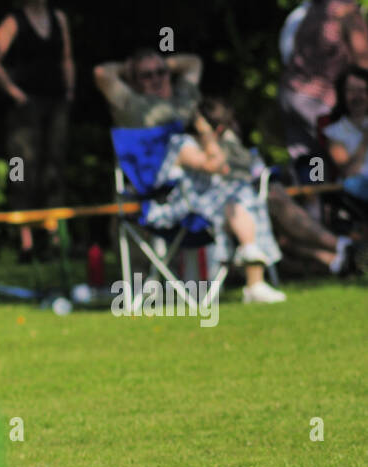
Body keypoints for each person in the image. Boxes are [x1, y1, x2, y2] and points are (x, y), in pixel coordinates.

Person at [144, 109, 286, 304]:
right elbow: (215, 166)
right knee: (241, 201)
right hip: (182, 209)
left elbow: (230, 168)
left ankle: (251, 259)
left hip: (212, 208)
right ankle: (254, 280)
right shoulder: (183, 144)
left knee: (242, 199)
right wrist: (209, 136)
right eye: (216, 127)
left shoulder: (206, 145)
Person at [200, 97, 356, 274]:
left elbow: (254, 170)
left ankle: (336, 259)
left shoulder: (231, 146)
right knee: (276, 199)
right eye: (230, 123)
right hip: (227, 211)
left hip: (250, 209)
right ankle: (342, 247)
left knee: (283, 232)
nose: (235, 126)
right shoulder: (209, 147)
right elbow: (230, 172)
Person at [0, 1, 75, 259]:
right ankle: (27, 243)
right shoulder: (14, 21)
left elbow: (66, 58)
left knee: (54, 169)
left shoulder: (59, 18)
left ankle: (55, 238)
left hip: (55, 103)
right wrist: (16, 94)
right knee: (20, 170)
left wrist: (69, 91)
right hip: (24, 109)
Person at [279, 0, 368, 169]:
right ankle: (329, 192)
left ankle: (313, 190)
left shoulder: (311, 10)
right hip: (316, 101)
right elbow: (363, 58)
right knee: (335, 157)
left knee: (309, 157)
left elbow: (287, 52)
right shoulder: (345, 11)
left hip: (289, 91)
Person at [93, 48, 203, 129]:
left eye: (161, 72)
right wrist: (127, 68)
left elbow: (194, 63)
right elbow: (102, 73)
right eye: (146, 75)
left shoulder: (181, 98)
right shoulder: (131, 105)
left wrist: (166, 63)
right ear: (134, 82)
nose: (156, 79)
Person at [323, 66, 368, 199]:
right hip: (357, 190)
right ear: (342, 94)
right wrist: (365, 141)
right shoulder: (334, 132)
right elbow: (349, 173)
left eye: (362, 90)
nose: (358, 96)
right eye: (351, 91)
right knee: (352, 183)